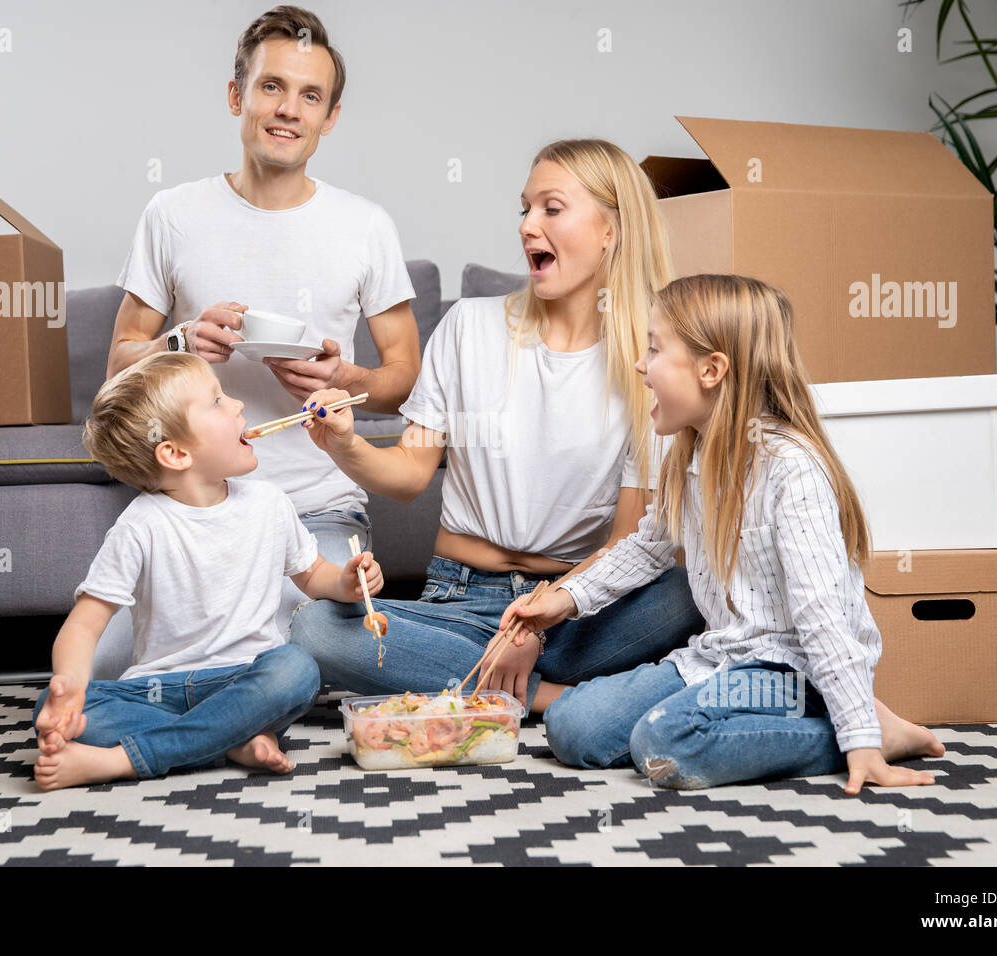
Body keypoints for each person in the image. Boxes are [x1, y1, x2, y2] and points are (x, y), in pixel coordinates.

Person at [291, 139, 705, 715]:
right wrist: (346, 442)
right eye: (524, 209)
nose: (527, 226)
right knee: (315, 628)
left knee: (687, 592)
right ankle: (546, 697)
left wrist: (535, 624)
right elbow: (410, 474)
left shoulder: (647, 363)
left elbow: (627, 543)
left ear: (611, 229)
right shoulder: (470, 327)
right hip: (458, 599)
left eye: (551, 209)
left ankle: (484, 677)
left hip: (571, 609)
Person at [500, 273, 945, 794]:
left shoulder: (791, 469)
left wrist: (859, 738)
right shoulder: (688, 454)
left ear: (711, 370)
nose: (641, 366)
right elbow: (648, 548)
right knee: (571, 727)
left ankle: (865, 733)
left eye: (655, 349)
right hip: (717, 661)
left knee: (665, 745)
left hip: (790, 675)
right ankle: (823, 729)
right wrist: (565, 599)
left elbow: (822, 616)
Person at [105, 5, 420, 638]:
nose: (288, 109)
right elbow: (119, 360)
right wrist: (181, 341)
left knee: (299, 642)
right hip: (196, 503)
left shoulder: (365, 225)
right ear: (236, 95)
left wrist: (344, 373)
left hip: (318, 510)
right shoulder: (173, 213)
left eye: (311, 96)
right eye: (271, 86)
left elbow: (403, 378)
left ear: (329, 118)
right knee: (114, 670)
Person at [32, 352, 383, 790]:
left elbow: (312, 575)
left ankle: (124, 760)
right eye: (217, 401)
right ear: (175, 452)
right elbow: (85, 626)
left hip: (245, 679)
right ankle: (228, 740)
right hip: (157, 690)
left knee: (295, 669)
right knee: (52, 705)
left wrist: (347, 582)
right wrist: (68, 686)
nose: (237, 405)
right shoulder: (140, 526)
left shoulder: (268, 502)